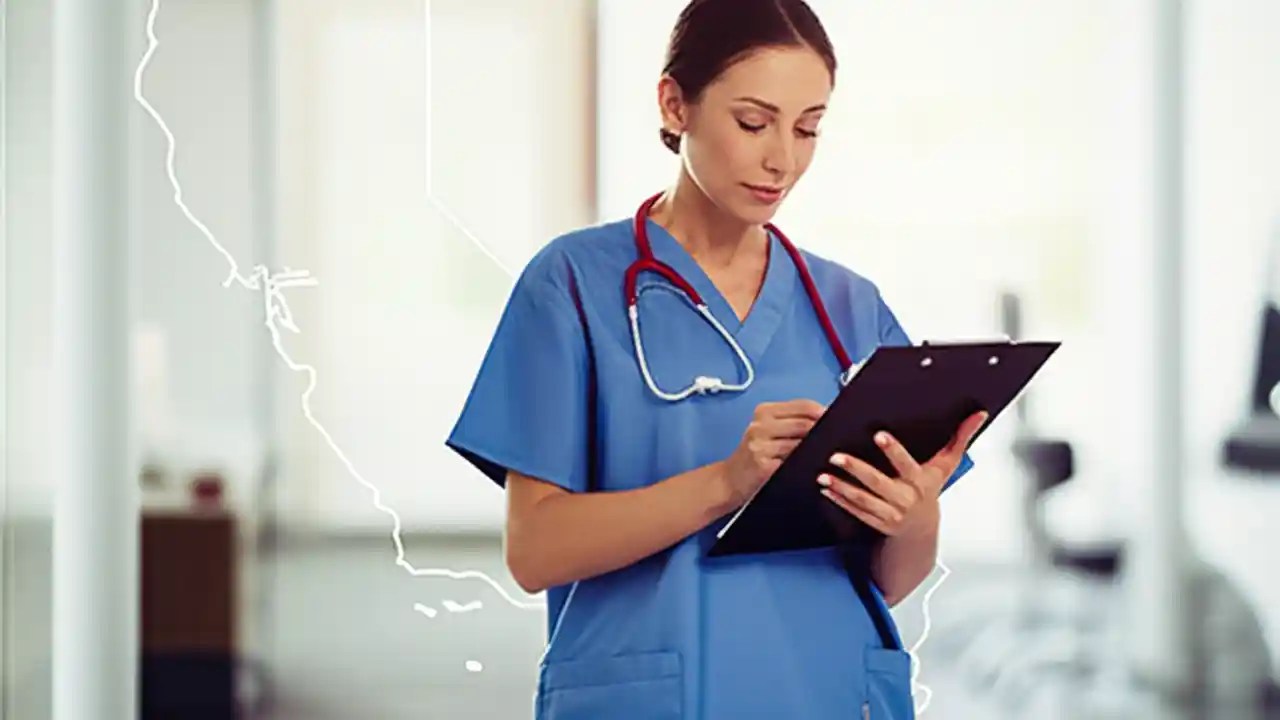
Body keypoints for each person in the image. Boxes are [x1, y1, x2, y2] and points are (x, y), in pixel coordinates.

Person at [446, 1, 985, 717]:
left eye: (808, 127)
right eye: (753, 123)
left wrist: (916, 516)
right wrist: (728, 481)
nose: (782, 159)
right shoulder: (573, 285)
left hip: (824, 689)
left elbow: (885, 580)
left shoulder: (849, 306)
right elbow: (535, 551)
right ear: (675, 104)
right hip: (652, 696)